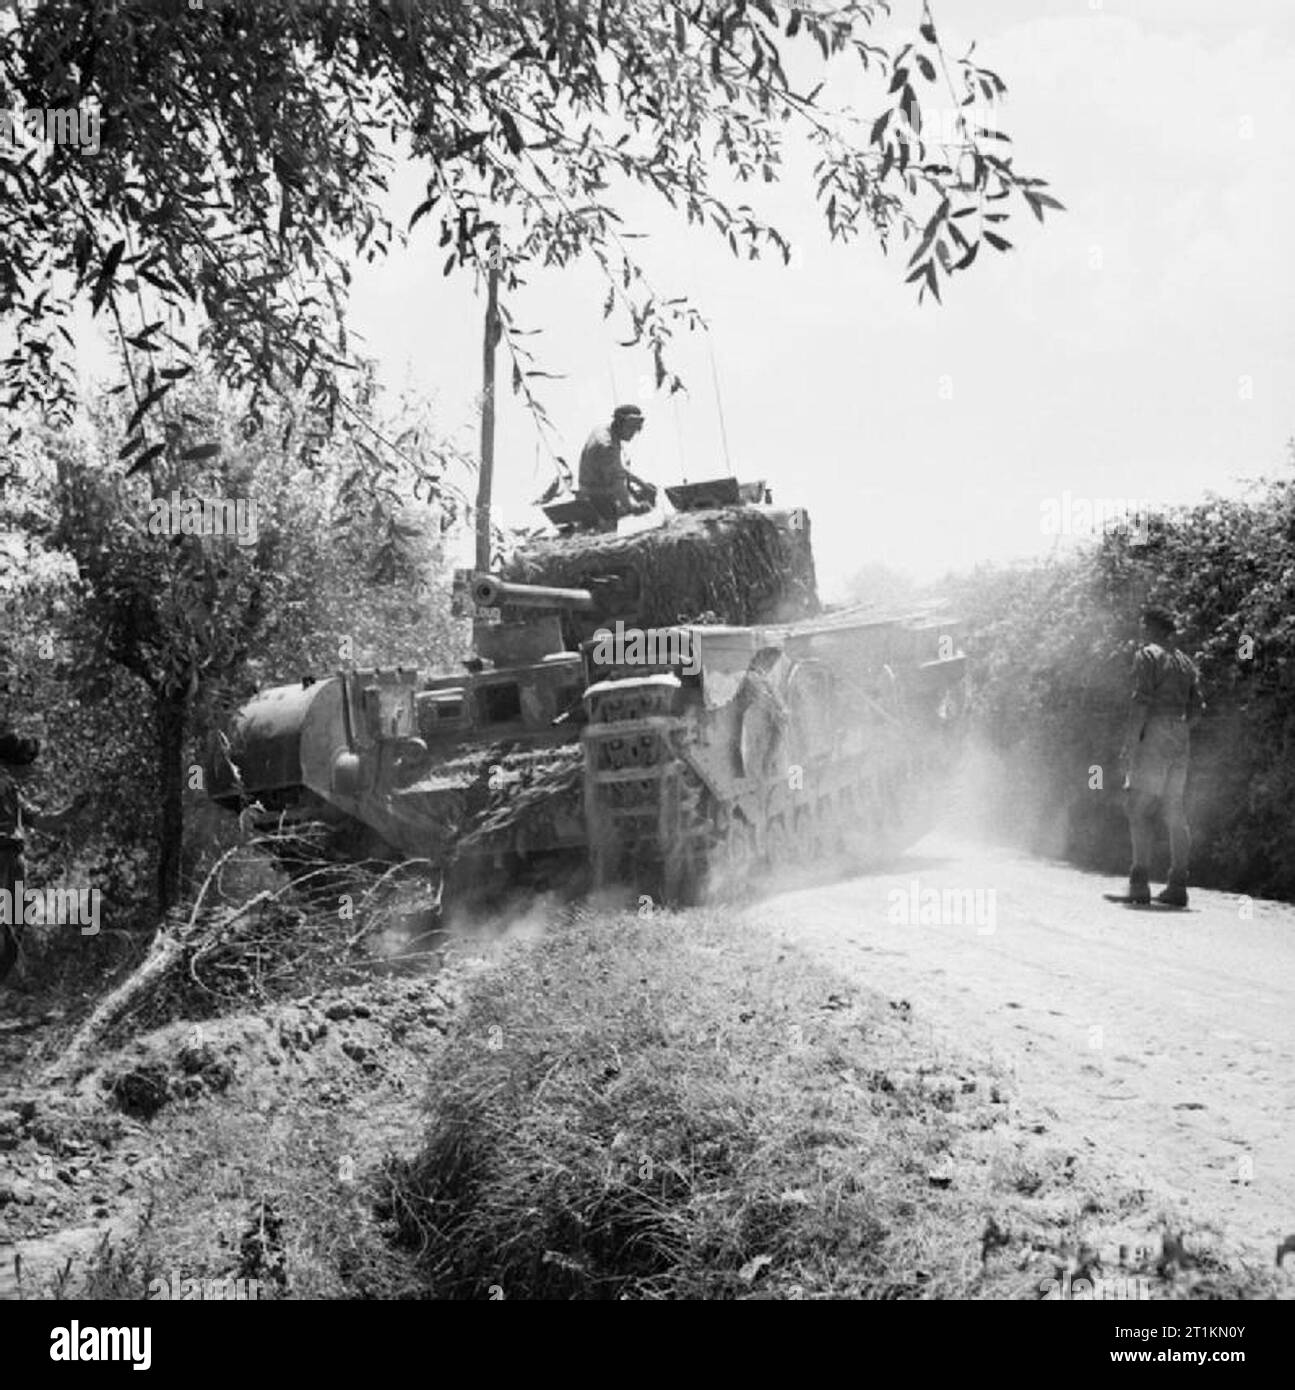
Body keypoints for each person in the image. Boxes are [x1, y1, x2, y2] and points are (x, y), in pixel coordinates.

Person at [1114, 606, 1204, 907]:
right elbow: (1197, 710)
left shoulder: (1148, 655)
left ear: (1151, 628)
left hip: (1153, 732)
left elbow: (1140, 702)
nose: (1141, 631)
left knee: (1139, 807)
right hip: (1180, 736)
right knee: (1175, 810)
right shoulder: (1186, 663)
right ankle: (1178, 884)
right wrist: (1178, 730)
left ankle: (1139, 883)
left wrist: (1131, 742)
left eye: (1143, 626)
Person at [0, 727, 83, 983]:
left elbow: (43, 821)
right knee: (9, 928)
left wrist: (72, 810)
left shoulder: (11, 790)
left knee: (14, 928)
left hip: (13, 860)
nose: (27, 768)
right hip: (3, 856)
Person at [576, 404, 656, 531]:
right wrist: (632, 506)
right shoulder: (607, 446)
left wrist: (643, 485)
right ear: (619, 423)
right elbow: (616, 483)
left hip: (593, 490)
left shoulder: (605, 430)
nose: (633, 432)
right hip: (596, 498)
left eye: (636, 428)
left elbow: (616, 469)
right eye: (630, 427)